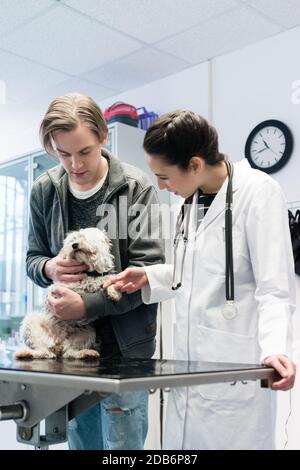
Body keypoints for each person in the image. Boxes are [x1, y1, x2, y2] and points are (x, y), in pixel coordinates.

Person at [104, 110, 297, 450]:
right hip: (188, 369)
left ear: (194, 165)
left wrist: (275, 350)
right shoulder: (186, 204)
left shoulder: (258, 192)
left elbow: (274, 287)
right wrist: (147, 276)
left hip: (235, 372)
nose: (162, 186)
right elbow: (191, 274)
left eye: (164, 177)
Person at [26, 93, 164, 450]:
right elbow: (33, 259)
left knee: (122, 450)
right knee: (81, 444)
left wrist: (86, 304)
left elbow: (147, 273)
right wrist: (50, 266)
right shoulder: (45, 191)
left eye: (84, 151)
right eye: (63, 153)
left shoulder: (135, 188)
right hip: (69, 353)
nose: (74, 164)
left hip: (125, 349)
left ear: (103, 136)